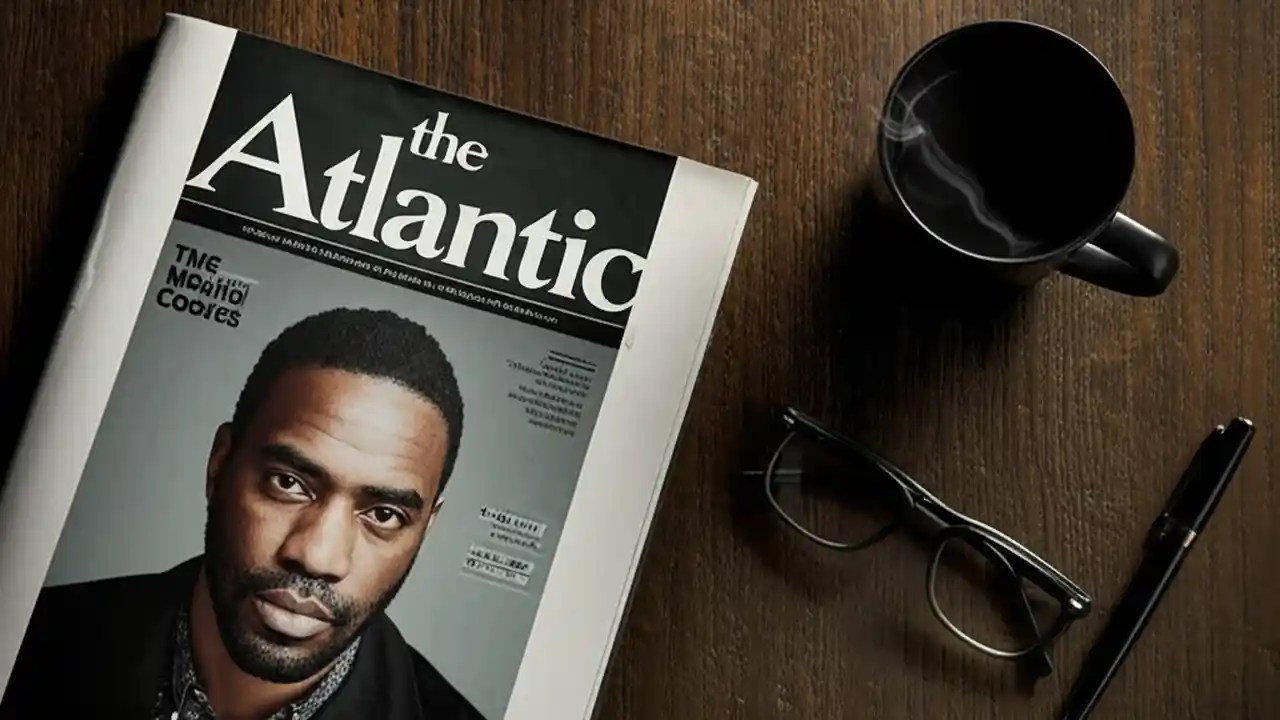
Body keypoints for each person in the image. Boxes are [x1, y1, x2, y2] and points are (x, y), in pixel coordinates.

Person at [0, 307, 484, 719]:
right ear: (220, 465)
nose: (318, 556)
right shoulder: (26, 639)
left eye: (383, 514)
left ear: (426, 528)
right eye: (289, 483)